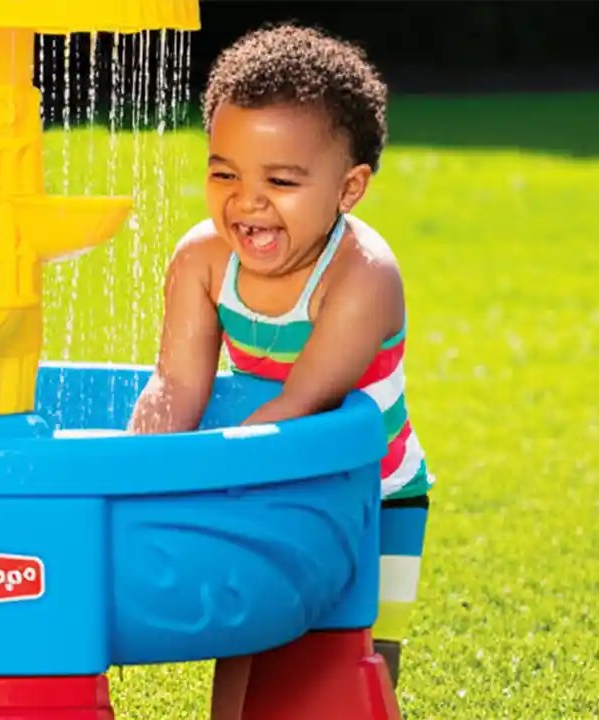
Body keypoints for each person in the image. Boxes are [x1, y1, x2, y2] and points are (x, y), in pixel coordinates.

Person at [127, 24, 432, 718]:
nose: (247, 201)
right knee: (248, 645)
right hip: (261, 482)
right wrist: (137, 470)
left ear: (348, 188)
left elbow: (305, 401)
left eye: (282, 181)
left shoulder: (362, 277)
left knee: (354, 668)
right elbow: (175, 383)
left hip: (376, 495)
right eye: (224, 172)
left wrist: (207, 475)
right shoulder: (203, 261)